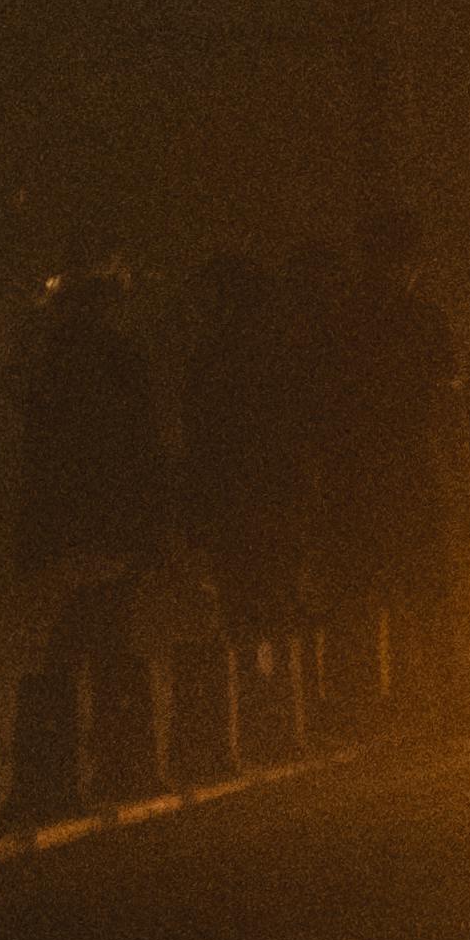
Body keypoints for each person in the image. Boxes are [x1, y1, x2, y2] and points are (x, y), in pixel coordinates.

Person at [316, 215, 464, 708]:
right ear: (412, 264)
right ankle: (439, 693)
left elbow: (327, 404)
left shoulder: (339, 321)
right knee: (429, 588)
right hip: (413, 468)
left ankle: (359, 699)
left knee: (359, 592)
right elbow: (446, 401)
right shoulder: (424, 319)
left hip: (354, 473)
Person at [13, 245, 177, 665]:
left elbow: (38, 442)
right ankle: (108, 714)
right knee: (102, 620)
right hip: (102, 507)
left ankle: (70, 712)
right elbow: (142, 440)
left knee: (89, 619)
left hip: (82, 508)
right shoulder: (111, 359)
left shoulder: (56, 363)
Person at [174, 247, 318, 660]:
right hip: (275, 496)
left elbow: (200, 439)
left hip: (233, 502)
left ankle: (253, 703)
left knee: (240, 612)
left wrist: (195, 513)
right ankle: (287, 702)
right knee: (280, 606)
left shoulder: (210, 357)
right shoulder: (280, 353)